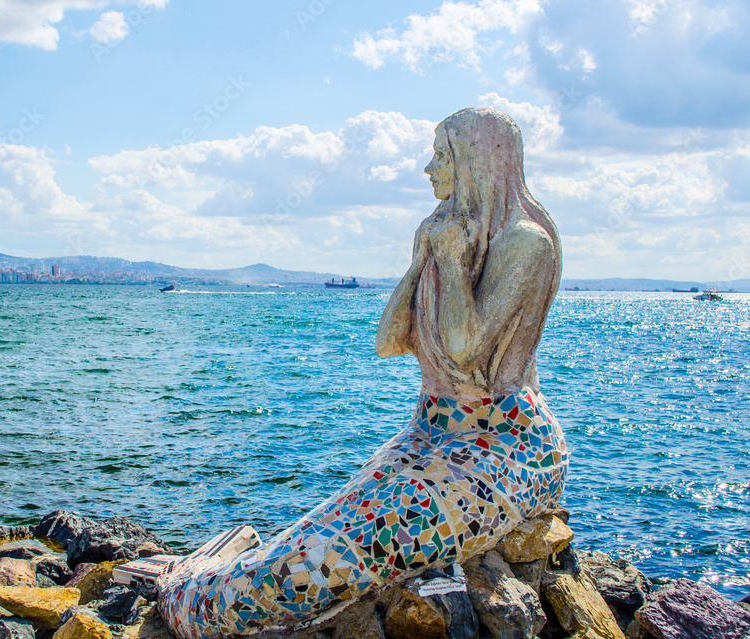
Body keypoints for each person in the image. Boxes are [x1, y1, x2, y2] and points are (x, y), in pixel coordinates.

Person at [134, 107, 569, 639]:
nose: (427, 168)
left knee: (331, 557)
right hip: (431, 433)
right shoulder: (438, 232)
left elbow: (462, 353)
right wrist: (422, 263)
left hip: (504, 448)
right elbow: (391, 341)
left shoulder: (527, 243)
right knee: (318, 532)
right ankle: (207, 578)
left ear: (475, 160)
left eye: (440, 154)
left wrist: (453, 263)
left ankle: (197, 597)